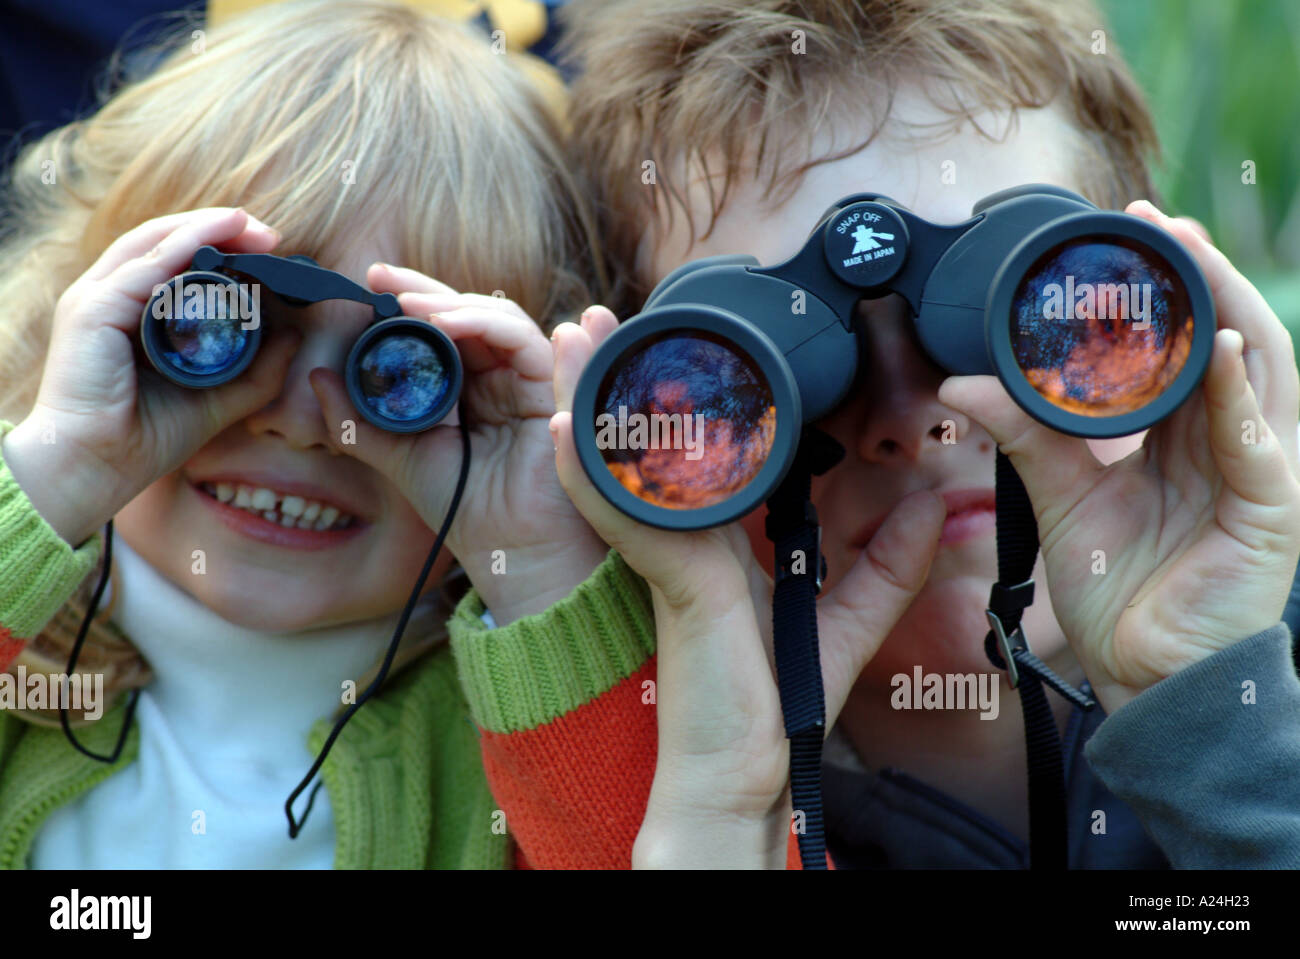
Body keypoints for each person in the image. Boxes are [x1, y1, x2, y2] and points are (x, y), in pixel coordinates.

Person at [452, 0, 1300, 867]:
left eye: (1037, 314)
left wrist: (1215, 712)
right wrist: (719, 811)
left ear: (1169, 284)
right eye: (741, 371)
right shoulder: (590, 800)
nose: (910, 417)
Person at [0, 0, 615, 869]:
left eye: (402, 371)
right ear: (85, 328)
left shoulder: (519, 751)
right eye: (217, 325)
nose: (303, 420)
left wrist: (542, 571)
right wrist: (60, 469)